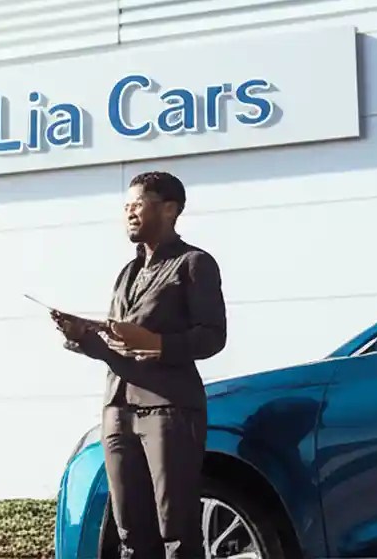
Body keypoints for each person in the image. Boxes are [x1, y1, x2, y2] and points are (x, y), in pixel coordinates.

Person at [51, 172, 227, 559]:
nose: (129, 212)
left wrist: (160, 345)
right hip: (117, 410)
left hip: (169, 409)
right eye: (125, 206)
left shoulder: (193, 263)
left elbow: (214, 336)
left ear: (169, 209)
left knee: (176, 530)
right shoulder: (127, 273)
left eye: (137, 203)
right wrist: (83, 335)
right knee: (130, 534)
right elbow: (119, 348)